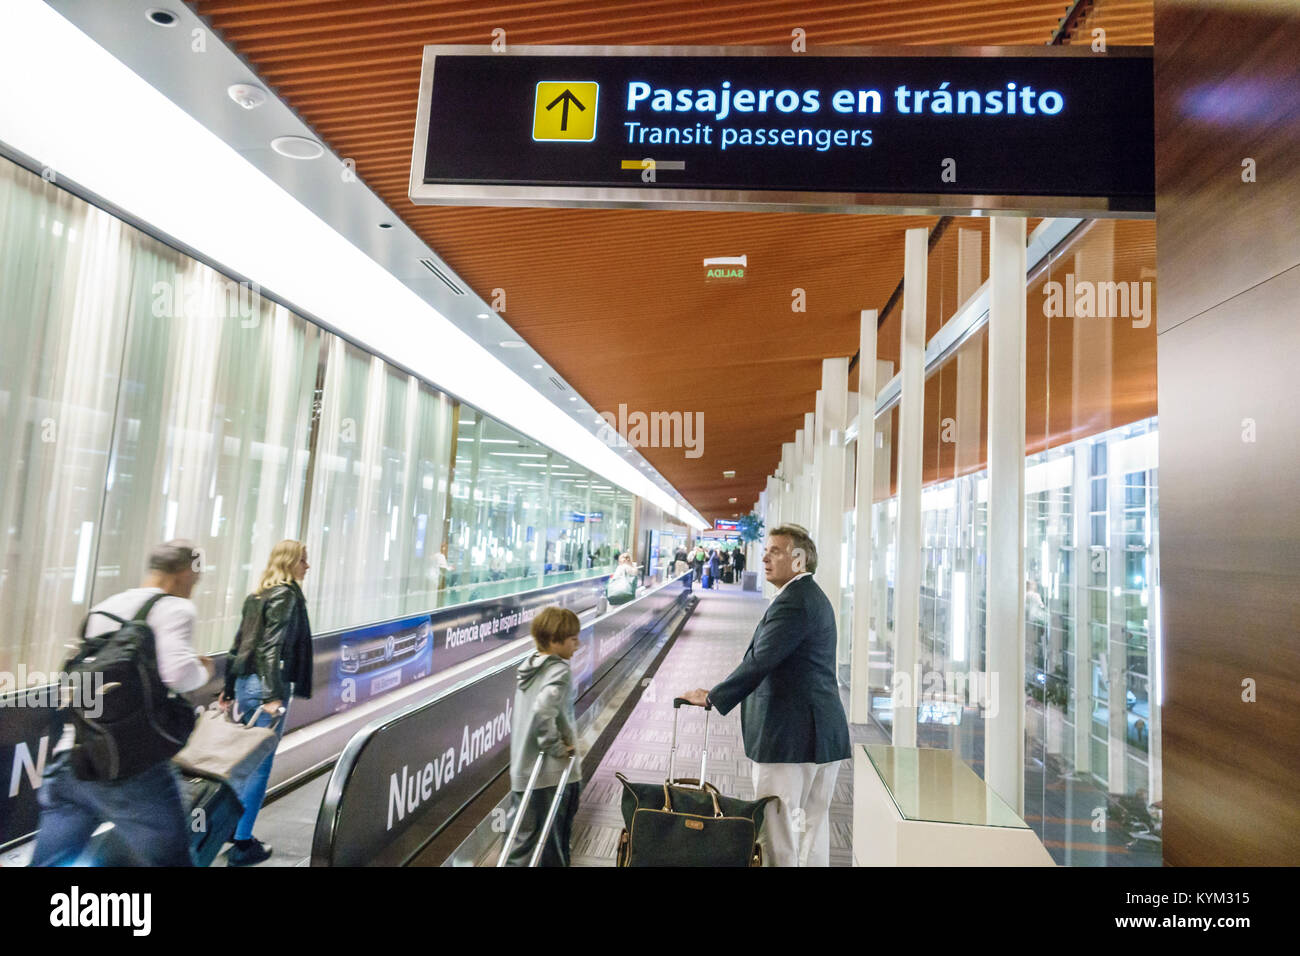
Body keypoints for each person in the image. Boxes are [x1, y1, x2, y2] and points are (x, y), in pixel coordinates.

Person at [33, 540, 214, 867]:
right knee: (171, 861)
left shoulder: (104, 607)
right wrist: (204, 669)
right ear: (186, 573)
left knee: (50, 862)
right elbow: (177, 673)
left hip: (72, 759)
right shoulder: (175, 608)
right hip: (132, 768)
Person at [681, 524, 850, 867]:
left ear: (800, 560)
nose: (766, 556)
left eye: (776, 550)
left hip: (790, 738)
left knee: (778, 831)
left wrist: (714, 697)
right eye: (766, 550)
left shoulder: (795, 602)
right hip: (819, 735)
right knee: (810, 833)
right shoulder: (808, 597)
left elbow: (761, 660)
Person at [219, 539, 314, 866]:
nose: (307, 566)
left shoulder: (257, 595)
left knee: (241, 764)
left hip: (246, 683)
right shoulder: (286, 596)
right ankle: (243, 844)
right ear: (290, 562)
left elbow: (239, 644)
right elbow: (269, 648)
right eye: (303, 559)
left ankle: (225, 829)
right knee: (259, 768)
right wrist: (273, 695)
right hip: (266, 685)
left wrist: (229, 688)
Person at [505, 606, 583, 866]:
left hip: (522, 770)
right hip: (551, 774)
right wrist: (558, 748)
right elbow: (542, 711)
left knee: (521, 844)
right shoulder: (559, 670)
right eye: (573, 639)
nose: (578, 644)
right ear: (554, 640)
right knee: (553, 845)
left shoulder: (529, 668)